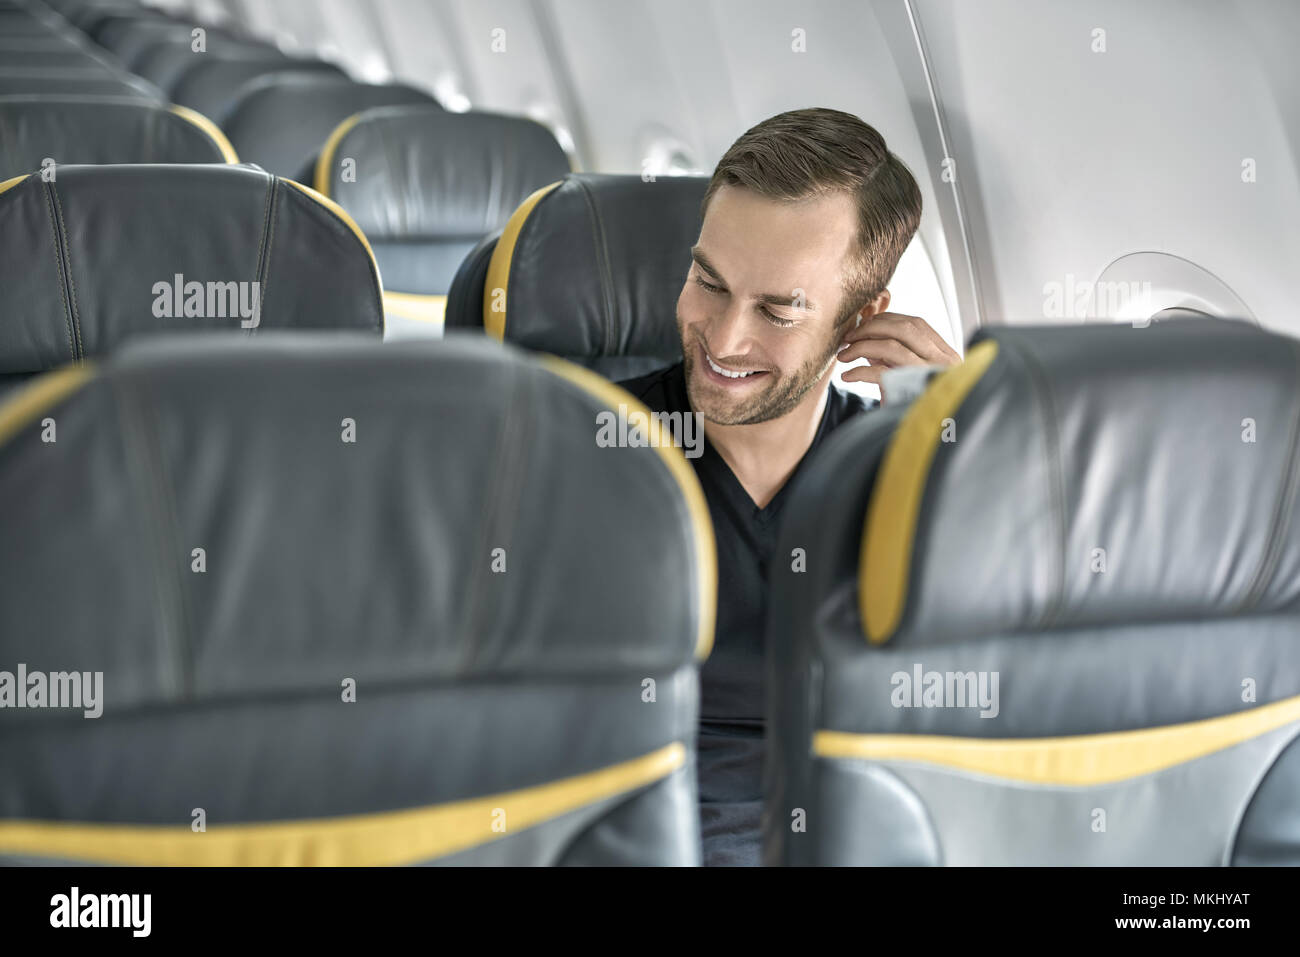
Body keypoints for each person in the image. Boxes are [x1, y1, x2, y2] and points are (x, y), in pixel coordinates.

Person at [618, 107, 960, 866]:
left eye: (778, 310)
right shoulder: (592, 443)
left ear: (859, 321)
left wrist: (967, 456)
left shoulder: (898, 472)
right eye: (708, 281)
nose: (725, 337)